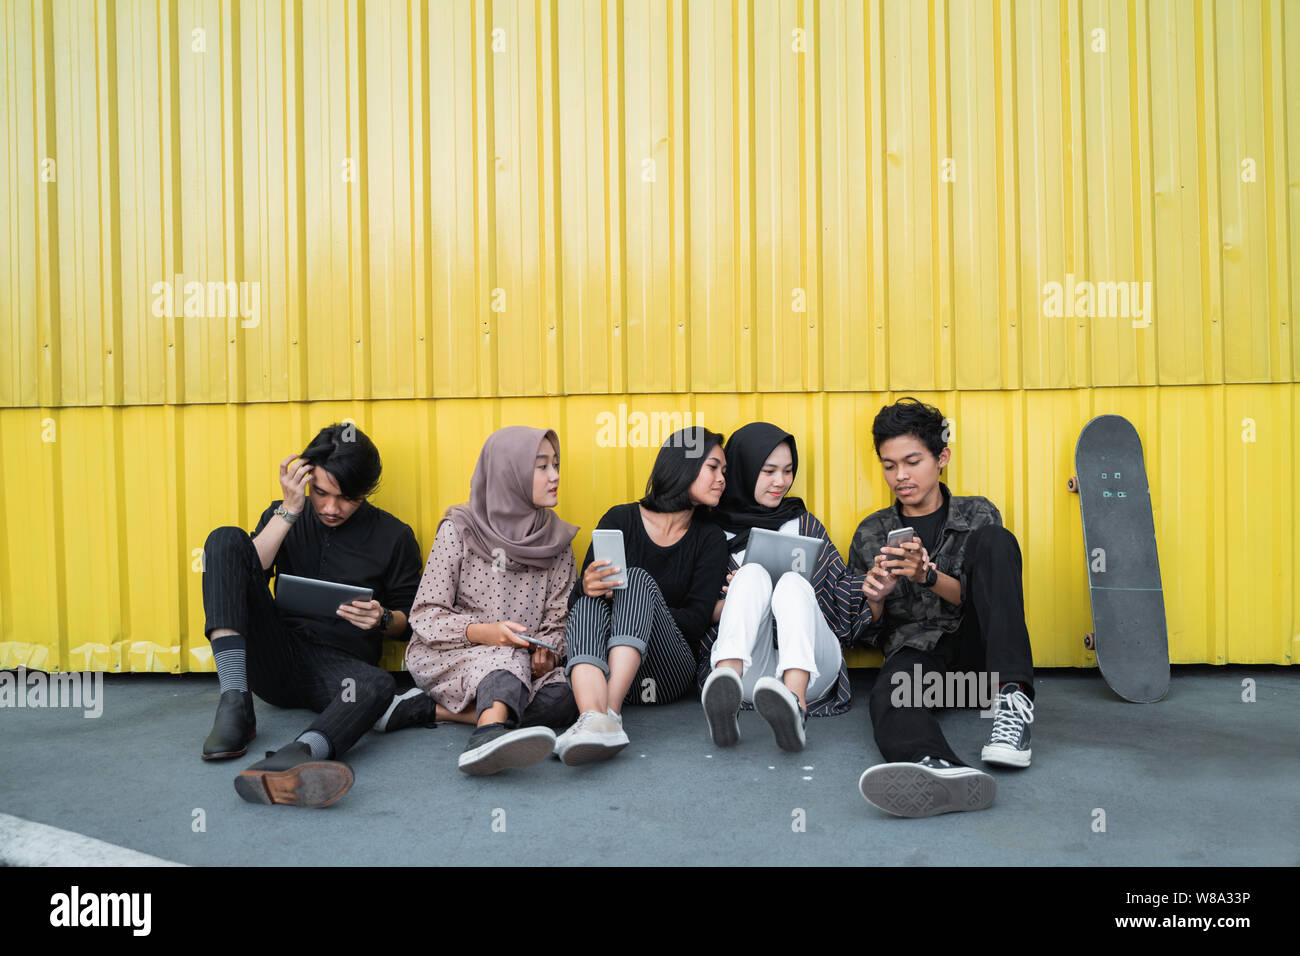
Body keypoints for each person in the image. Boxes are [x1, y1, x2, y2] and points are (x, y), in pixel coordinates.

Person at [200, 423, 423, 808]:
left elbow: (409, 622)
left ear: (366, 491)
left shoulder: (394, 536)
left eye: (346, 498)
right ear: (305, 479)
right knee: (224, 539)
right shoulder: (285, 514)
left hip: (339, 671)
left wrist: (383, 619)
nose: (331, 508)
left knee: (378, 685)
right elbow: (242, 572)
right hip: (275, 655)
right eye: (320, 492)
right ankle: (234, 702)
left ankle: (296, 758)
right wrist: (289, 510)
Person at [848, 398, 1036, 817]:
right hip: (926, 667)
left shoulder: (978, 514)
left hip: (981, 666)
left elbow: (987, 597)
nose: (900, 476)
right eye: (889, 464)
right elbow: (867, 633)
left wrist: (926, 576)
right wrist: (874, 600)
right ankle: (935, 768)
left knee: (997, 542)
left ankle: (1014, 703)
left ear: (942, 457)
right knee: (891, 694)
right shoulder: (872, 531)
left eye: (912, 461)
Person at [405, 427, 581, 775]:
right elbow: (425, 616)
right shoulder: (459, 529)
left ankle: (432, 711)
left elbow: (559, 619)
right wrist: (486, 634)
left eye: (556, 465)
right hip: (452, 654)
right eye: (542, 467)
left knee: (567, 699)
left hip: (523, 663)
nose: (555, 476)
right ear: (508, 472)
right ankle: (486, 737)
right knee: (504, 658)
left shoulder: (556, 542)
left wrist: (547, 656)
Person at [556, 427, 730, 765]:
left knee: (634, 581)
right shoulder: (620, 519)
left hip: (666, 673)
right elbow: (579, 609)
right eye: (713, 468)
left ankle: (609, 715)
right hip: (605, 667)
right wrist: (585, 587)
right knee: (591, 600)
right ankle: (592, 717)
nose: (721, 479)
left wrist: (638, 608)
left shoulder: (709, 538)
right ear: (683, 466)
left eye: (724, 471)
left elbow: (695, 621)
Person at [696, 423, 873, 752]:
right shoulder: (711, 534)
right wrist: (732, 597)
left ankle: (795, 704)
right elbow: (694, 610)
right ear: (744, 470)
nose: (781, 482)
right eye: (769, 471)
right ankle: (726, 687)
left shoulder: (803, 524)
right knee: (750, 576)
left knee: (792, 582)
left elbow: (841, 595)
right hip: (752, 672)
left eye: (788, 471)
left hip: (812, 670)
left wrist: (877, 590)